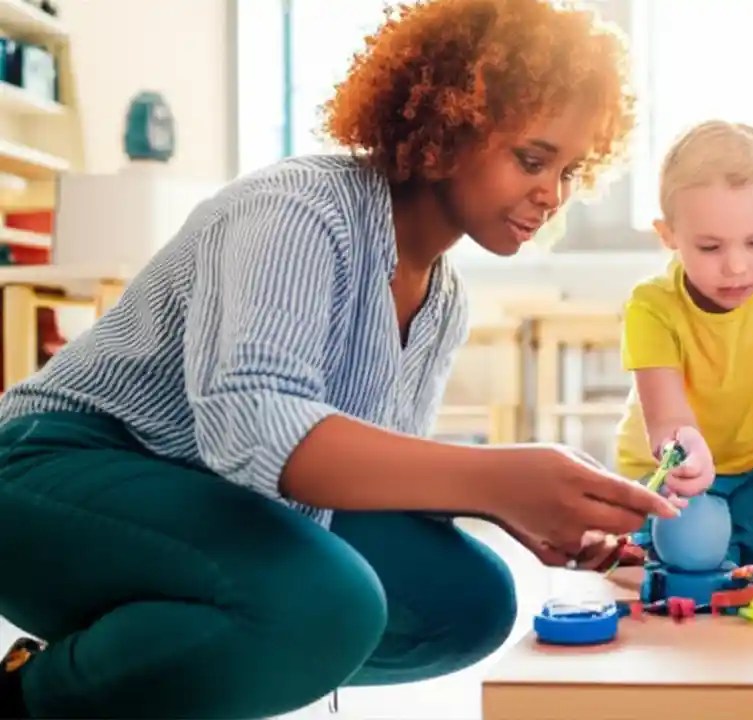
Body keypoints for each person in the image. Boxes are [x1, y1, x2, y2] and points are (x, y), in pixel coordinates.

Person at [0, 1, 678, 717]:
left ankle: (141, 665)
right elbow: (257, 429)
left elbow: (364, 473)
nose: (553, 194)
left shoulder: (441, 301)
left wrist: (510, 503)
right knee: (331, 601)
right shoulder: (298, 209)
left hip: (208, 507)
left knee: (467, 601)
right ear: (446, 126)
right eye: (533, 159)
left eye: (572, 170)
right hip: (49, 474)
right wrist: (500, 477)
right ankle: (34, 698)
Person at [614, 120, 753, 585]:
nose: (737, 266)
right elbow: (668, 425)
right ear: (668, 234)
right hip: (673, 475)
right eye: (710, 246)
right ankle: (651, 539)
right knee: (698, 546)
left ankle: (726, 547)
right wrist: (687, 468)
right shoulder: (650, 307)